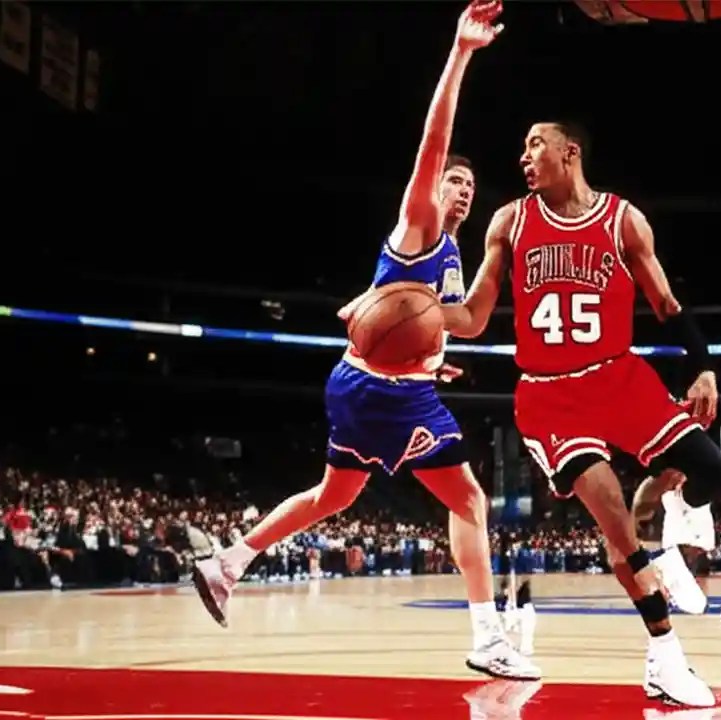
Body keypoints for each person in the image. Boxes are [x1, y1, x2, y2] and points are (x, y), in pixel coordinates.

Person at [191, 0, 540, 681]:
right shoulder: (418, 226)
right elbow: (434, 139)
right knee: (468, 499)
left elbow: (455, 322)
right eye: (455, 181)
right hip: (384, 392)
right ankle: (487, 635)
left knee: (334, 496)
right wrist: (462, 52)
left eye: (470, 185)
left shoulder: (448, 263)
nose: (462, 190)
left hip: (363, 383)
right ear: (434, 187)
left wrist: (448, 337)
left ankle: (227, 563)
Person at [443, 121, 721, 707]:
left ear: (569, 152)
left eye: (535, 144)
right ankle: (665, 657)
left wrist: (702, 367)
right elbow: (473, 316)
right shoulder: (510, 222)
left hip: (619, 376)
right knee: (617, 527)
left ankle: (672, 524)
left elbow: (667, 305)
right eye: (522, 145)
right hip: (552, 395)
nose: (524, 155)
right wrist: (414, 308)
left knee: (715, 472)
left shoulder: (623, 220)